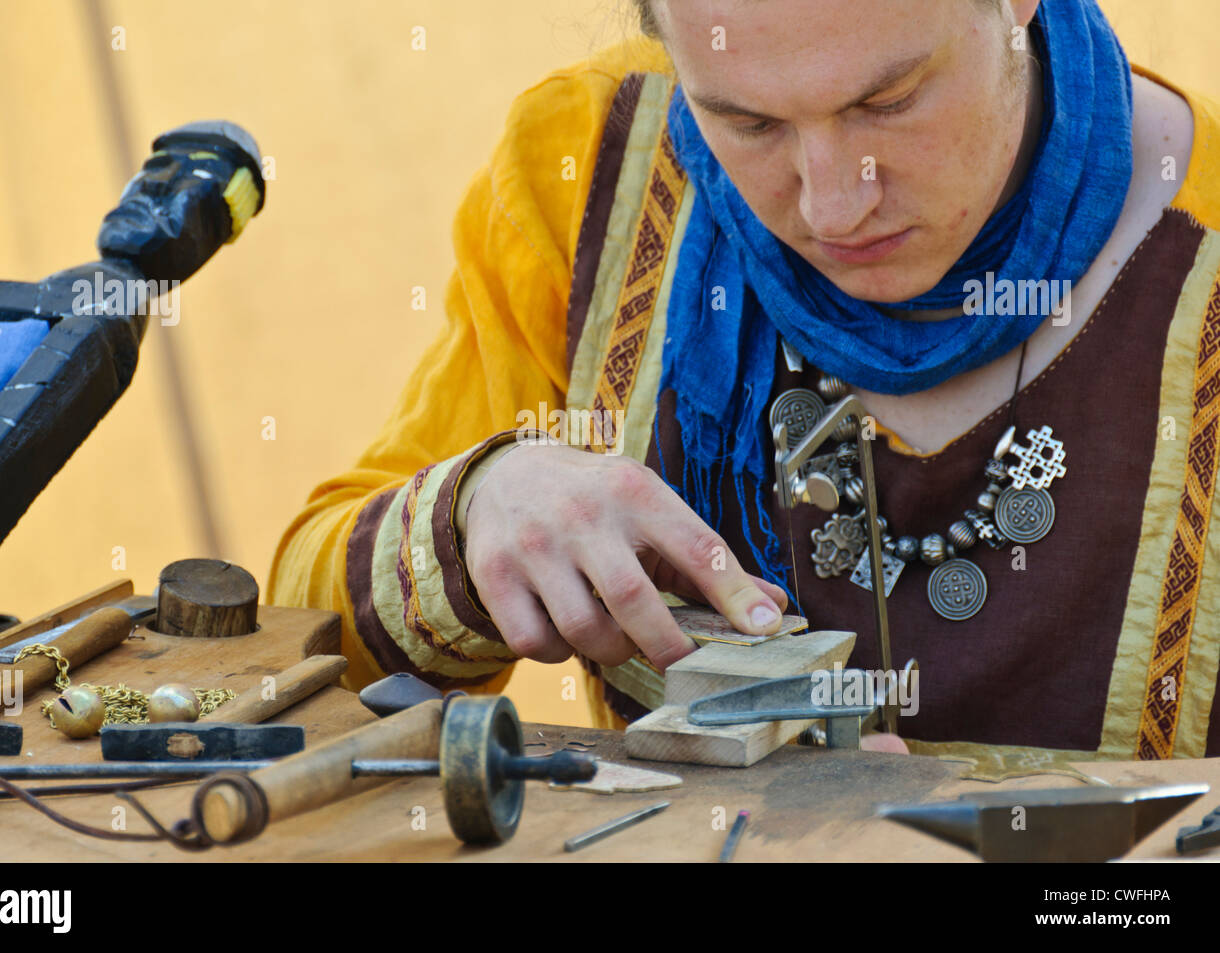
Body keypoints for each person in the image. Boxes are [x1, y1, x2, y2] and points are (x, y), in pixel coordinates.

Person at [269, 0, 1220, 764]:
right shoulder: (589, 171)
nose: (833, 199)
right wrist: (478, 511)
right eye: (748, 122)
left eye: (889, 102)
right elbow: (298, 643)